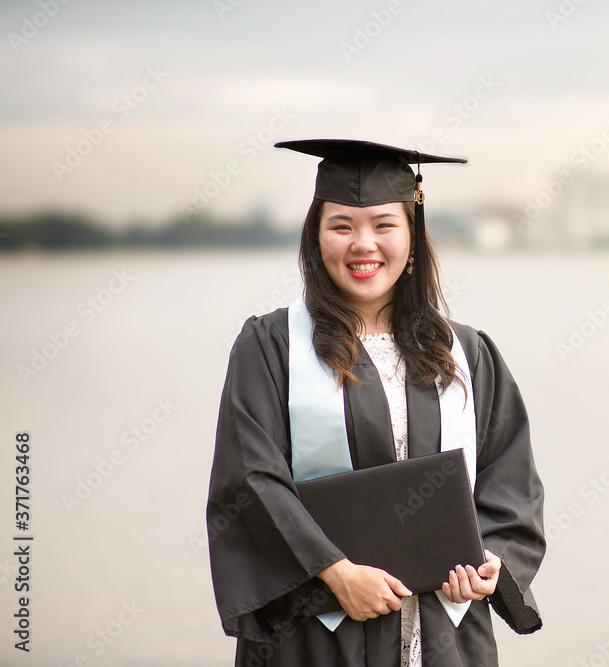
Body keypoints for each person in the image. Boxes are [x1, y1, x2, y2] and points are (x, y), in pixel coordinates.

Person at [206, 139, 545, 666]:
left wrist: (490, 563)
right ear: (316, 237)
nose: (363, 244)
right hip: (318, 632)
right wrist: (337, 574)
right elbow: (251, 477)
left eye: (384, 225)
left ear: (413, 234)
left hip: (442, 634)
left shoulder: (465, 351)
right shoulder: (273, 346)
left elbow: (509, 474)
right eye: (342, 226)